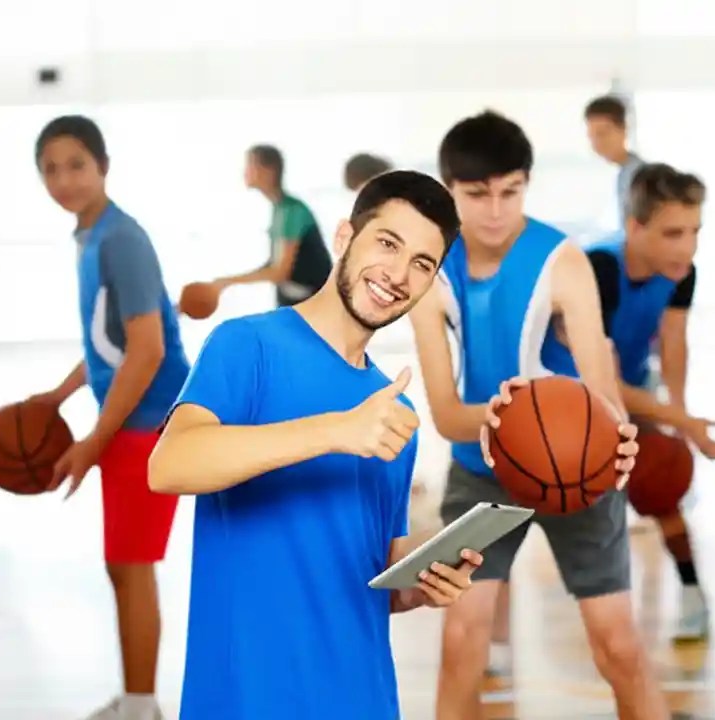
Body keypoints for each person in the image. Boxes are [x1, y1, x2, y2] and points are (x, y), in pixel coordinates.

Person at [148, 170, 481, 720]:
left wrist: (423, 577)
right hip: (247, 699)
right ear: (345, 237)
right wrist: (333, 430)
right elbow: (170, 465)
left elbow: (372, 575)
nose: (398, 275)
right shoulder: (247, 344)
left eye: (423, 264)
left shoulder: (394, 414)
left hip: (364, 698)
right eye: (388, 244)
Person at [408, 110, 665, 719]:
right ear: (450, 191)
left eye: (510, 192)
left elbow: (601, 390)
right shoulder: (430, 269)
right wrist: (506, 421)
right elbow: (445, 413)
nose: (496, 210)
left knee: (618, 646)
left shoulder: (562, 261)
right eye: (477, 195)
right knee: (461, 639)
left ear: (525, 184)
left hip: (575, 464)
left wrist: (618, 438)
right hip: (481, 470)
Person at [29, 115, 190, 720]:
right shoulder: (92, 236)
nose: (63, 179)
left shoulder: (121, 239)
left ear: (103, 166)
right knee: (123, 565)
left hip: (150, 423)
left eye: (75, 165)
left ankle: (143, 707)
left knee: (132, 563)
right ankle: (136, 700)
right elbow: (110, 342)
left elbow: (147, 351)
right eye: (49, 169)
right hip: (130, 418)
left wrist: (96, 439)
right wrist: (62, 393)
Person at [543, 161, 715, 643]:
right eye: (672, 233)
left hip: (627, 384)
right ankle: (496, 631)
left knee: (660, 480)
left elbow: (673, 342)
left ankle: (691, 594)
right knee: (565, 506)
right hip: (567, 394)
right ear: (634, 227)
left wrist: (680, 422)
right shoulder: (598, 269)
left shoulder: (681, 272)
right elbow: (592, 374)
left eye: (694, 231)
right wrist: (679, 416)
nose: (687, 246)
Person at [209, 145, 333, 307]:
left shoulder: (292, 211)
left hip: (314, 304)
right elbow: (275, 265)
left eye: (250, 165)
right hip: (294, 301)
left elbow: (279, 272)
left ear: (269, 171)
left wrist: (229, 281)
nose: (245, 172)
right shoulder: (279, 208)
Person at [584, 95, 645, 227]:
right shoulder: (623, 173)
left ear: (624, 130)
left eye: (602, 134)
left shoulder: (640, 176)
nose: (597, 143)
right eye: (592, 136)